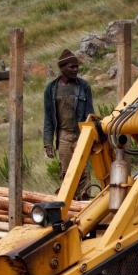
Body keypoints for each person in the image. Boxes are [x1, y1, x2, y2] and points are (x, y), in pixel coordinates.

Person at [43, 49, 94, 197]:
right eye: (72, 67)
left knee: (83, 172)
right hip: (63, 136)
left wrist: (91, 137)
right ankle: (68, 203)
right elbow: (48, 119)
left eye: (77, 66)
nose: (76, 70)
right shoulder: (51, 89)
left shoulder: (84, 86)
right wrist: (48, 143)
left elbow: (90, 114)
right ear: (62, 68)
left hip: (80, 134)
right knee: (66, 172)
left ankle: (84, 203)